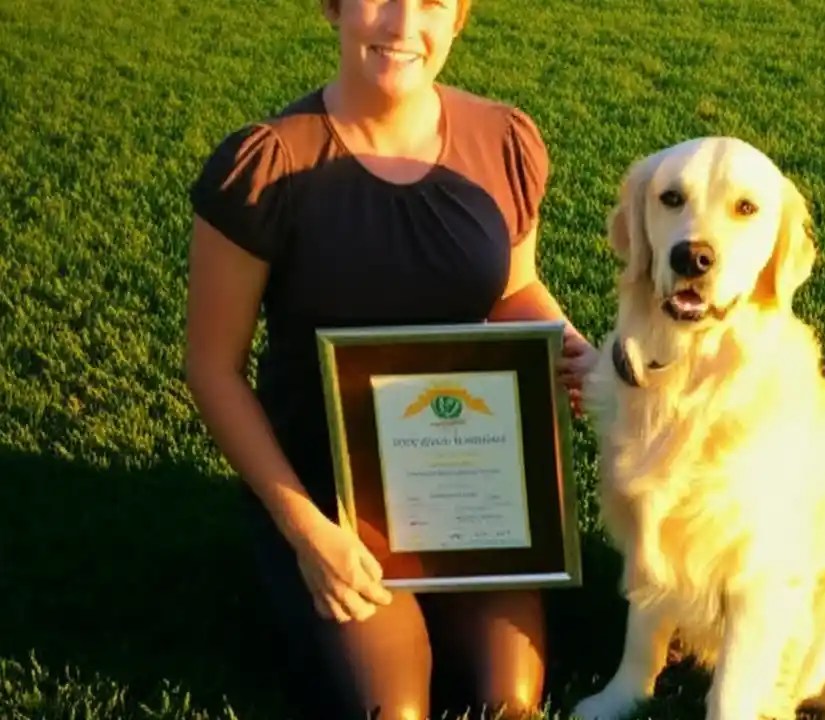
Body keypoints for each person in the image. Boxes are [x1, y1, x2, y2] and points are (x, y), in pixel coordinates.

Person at [183, 0, 598, 718]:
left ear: (461, 18)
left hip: (472, 485)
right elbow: (212, 368)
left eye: (434, 1)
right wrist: (308, 532)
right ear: (333, 7)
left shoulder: (502, 140)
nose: (405, 25)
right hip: (331, 496)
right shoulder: (264, 165)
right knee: (393, 706)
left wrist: (572, 350)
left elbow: (515, 287)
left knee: (512, 699)